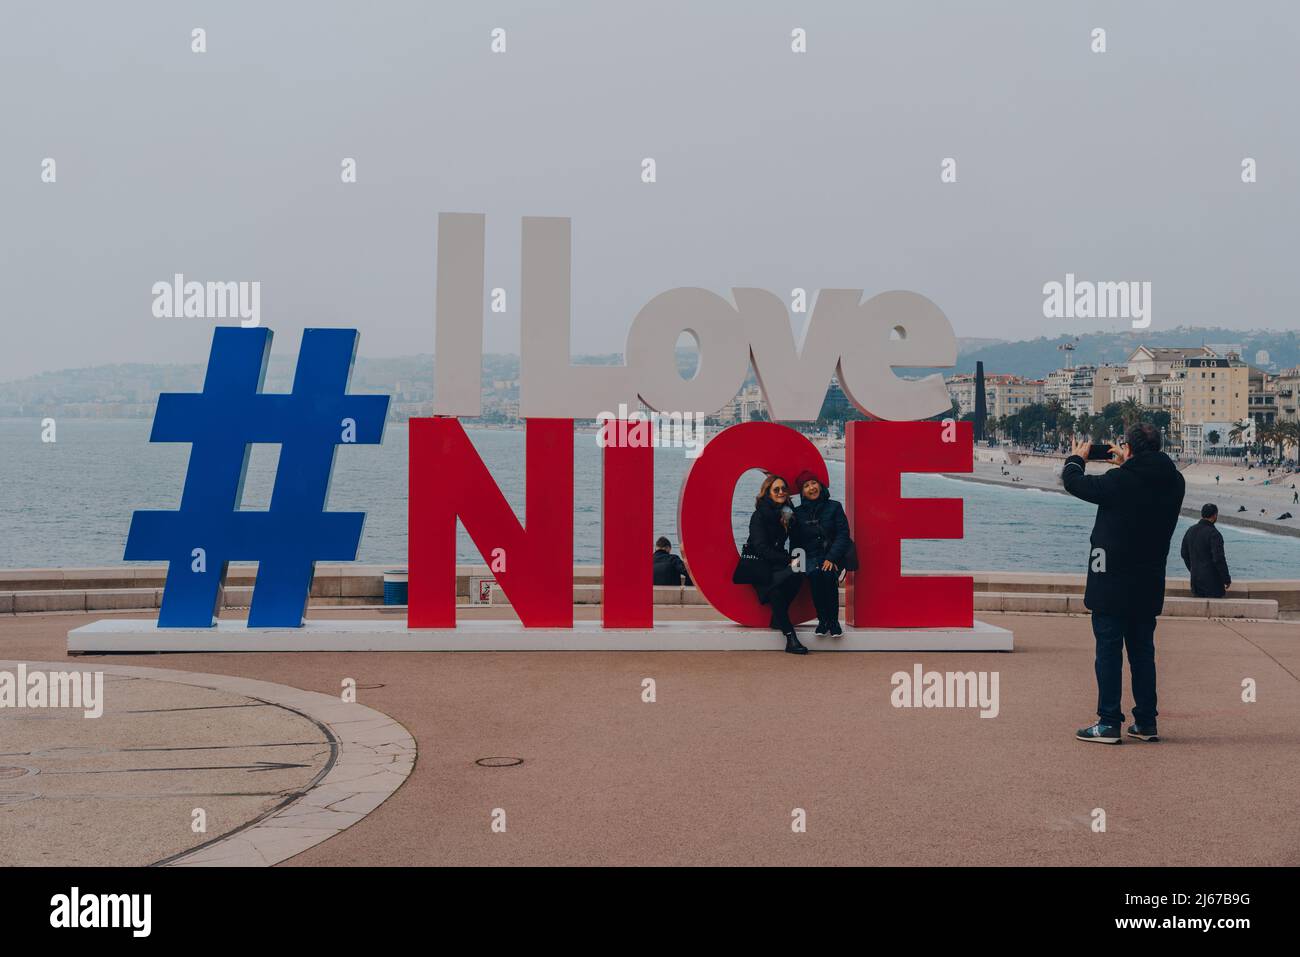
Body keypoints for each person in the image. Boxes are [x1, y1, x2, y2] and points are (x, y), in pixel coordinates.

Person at [1061, 423, 1186, 745]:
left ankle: (1108, 722)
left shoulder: (1120, 481)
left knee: (1108, 650)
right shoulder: (1175, 481)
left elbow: (1076, 483)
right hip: (1149, 580)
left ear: (1128, 448)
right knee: (1143, 653)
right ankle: (1145, 722)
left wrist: (1076, 458)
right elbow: (1142, 485)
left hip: (1112, 580)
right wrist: (1126, 465)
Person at [733, 474, 807, 654]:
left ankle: (777, 619)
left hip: (775, 562)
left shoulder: (788, 513)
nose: (781, 492)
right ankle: (790, 637)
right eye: (776, 489)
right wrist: (788, 559)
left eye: (784, 489)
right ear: (768, 493)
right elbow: (760, 547)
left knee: (799, 573)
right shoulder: (759, 515)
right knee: (774, 591)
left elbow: (800, 535)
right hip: (759, 564)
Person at [791, 470, 851, 637]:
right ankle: (822, 621)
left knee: (827, 574)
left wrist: (831, 557)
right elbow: (795, 542)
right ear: (802, 491)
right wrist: (796, 566)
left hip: (832, 556)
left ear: (820, 485)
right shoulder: (798, 513)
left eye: (813, 483)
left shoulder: (834, 507)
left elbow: (843, 534)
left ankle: (833, 622)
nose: (811, 488)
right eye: (806, 485)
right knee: (816, 575)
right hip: (810, 558)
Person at [1181, 504, 1231, 598]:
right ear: (1215, 515)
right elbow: (1218, 558)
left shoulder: (1190, 530)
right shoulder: (1214, 534)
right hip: (1212, 582)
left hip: (1195, 581)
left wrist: (1193, 569)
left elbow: (1184, 553)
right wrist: (1226, 579)